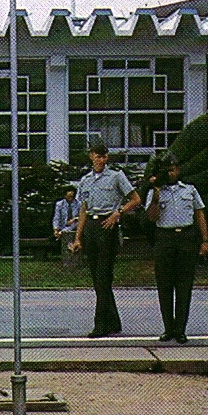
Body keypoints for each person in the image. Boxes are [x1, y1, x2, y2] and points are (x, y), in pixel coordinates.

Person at [70, 140, 142, 337]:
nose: (101, 159)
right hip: (91, 227)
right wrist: (78, 237)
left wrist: (118, 213)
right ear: (91, 156)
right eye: (98, 155)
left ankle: (101, 324)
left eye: (104, 156)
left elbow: (135, 199)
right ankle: (113, 321)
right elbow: (83, 209)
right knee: (98, 279)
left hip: (107, 225)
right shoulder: (85, 180)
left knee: (103, 275)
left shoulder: (116, 176)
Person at [144, 152, 208, 344]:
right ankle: (168, 328)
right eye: (166, 171)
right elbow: (152, 217)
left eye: (172, 170)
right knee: (164, 285)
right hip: (164, 238)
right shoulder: (155, 192)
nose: (170, 174)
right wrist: (155, 192)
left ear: (178, 170)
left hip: (186, 238)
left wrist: (205, 240)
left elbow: (200, 214)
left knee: (184, 285)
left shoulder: (189, 190)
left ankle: (180, 330)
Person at [52, 186, 80, 268]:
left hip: (75, 227)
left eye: (72, 196)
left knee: (76, 224)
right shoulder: (59, 204)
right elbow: (56, 217)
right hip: (63, 227)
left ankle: (75, 262)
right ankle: (67, 262)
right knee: (65, 238)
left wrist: (74, 219)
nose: (70, 197)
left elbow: (81, 217)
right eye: (68, 196)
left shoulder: (79, 204)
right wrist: (56, 229)